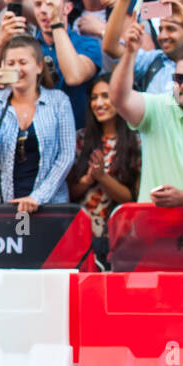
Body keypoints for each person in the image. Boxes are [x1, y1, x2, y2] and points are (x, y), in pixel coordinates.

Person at [110, 16, 183, 205]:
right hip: (155, 227)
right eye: (179, 79)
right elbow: (119, 99)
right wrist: (130, 52)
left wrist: (182, 198)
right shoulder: (159, 107)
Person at [0, 36, 76, 209]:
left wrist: (37, 197)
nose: (17, 68)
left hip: (45, 206)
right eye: (10, 63)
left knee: (29, 233)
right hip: (0, 204)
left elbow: (66, 156)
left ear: (39, 67)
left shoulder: (58, 101)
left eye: (23, 62)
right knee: (16, 233)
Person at [68, 74, 140, 267]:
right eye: (94, 97)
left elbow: (133, 199)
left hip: (122, 239)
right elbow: (70, 193)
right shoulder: (79, 139)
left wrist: (103, 177)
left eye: (106, 96)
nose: (99, 103)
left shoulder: (138, 141)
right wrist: (89, 179)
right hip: (82, 237)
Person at [28, 0, 102, 129]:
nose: (43, 10)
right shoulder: (27, 47)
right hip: (38, 136)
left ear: (67, 8)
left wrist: (56, 23)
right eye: (38, 4)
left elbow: (74, 76)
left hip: (78, 135)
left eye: (50, 4)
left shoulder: (87, 43)